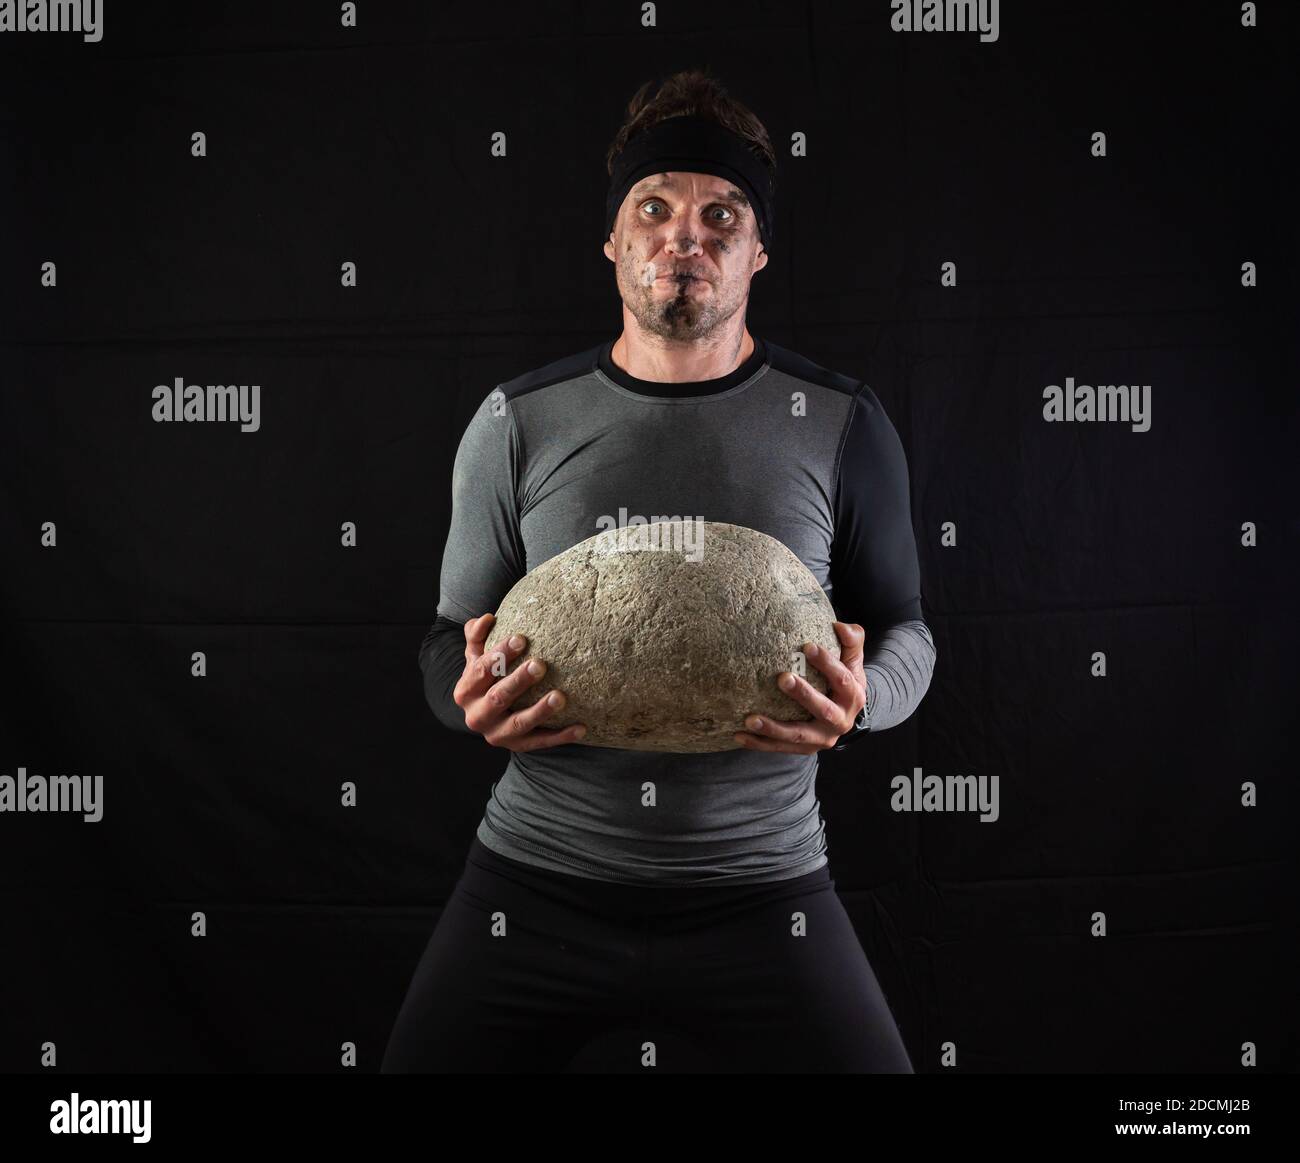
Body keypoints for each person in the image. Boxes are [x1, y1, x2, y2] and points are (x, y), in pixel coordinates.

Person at [381, 68, 936, 1073]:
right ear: (613, 239)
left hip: (765, 891)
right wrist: (465, 698)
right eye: (655, 209)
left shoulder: (843, 423)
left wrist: (864, 703)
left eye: (722, 214)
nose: (687, 235)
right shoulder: (517, 422)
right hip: (537, 882)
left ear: (758, 249)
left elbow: (907, 630)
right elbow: (441, 641)